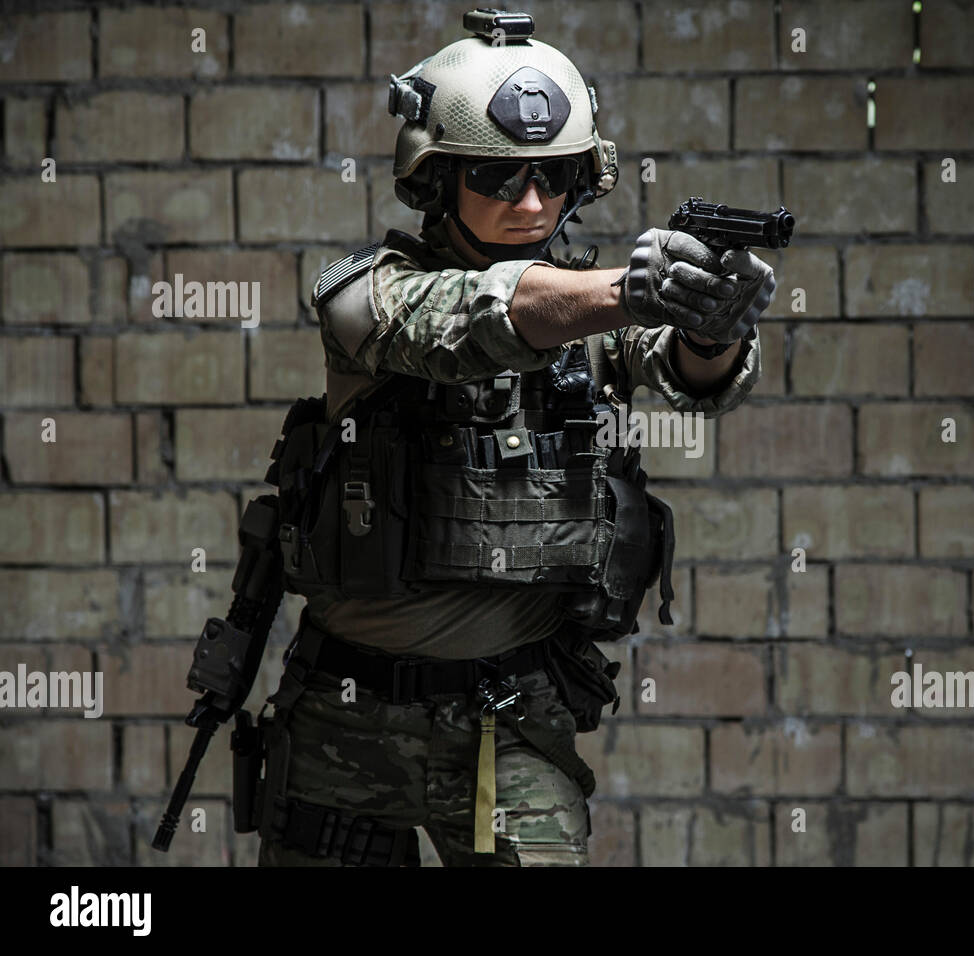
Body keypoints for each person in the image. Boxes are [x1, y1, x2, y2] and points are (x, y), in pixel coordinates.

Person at [252, 9, 776, 866]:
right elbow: (473, 320)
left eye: (556, 175)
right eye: (498, 180)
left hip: (513, 718)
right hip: (344, 715)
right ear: (434, 179)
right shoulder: (366, 294)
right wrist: (628, 290)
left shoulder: (593, 303)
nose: (532, 204)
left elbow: (692, 377)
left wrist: (710, 327)